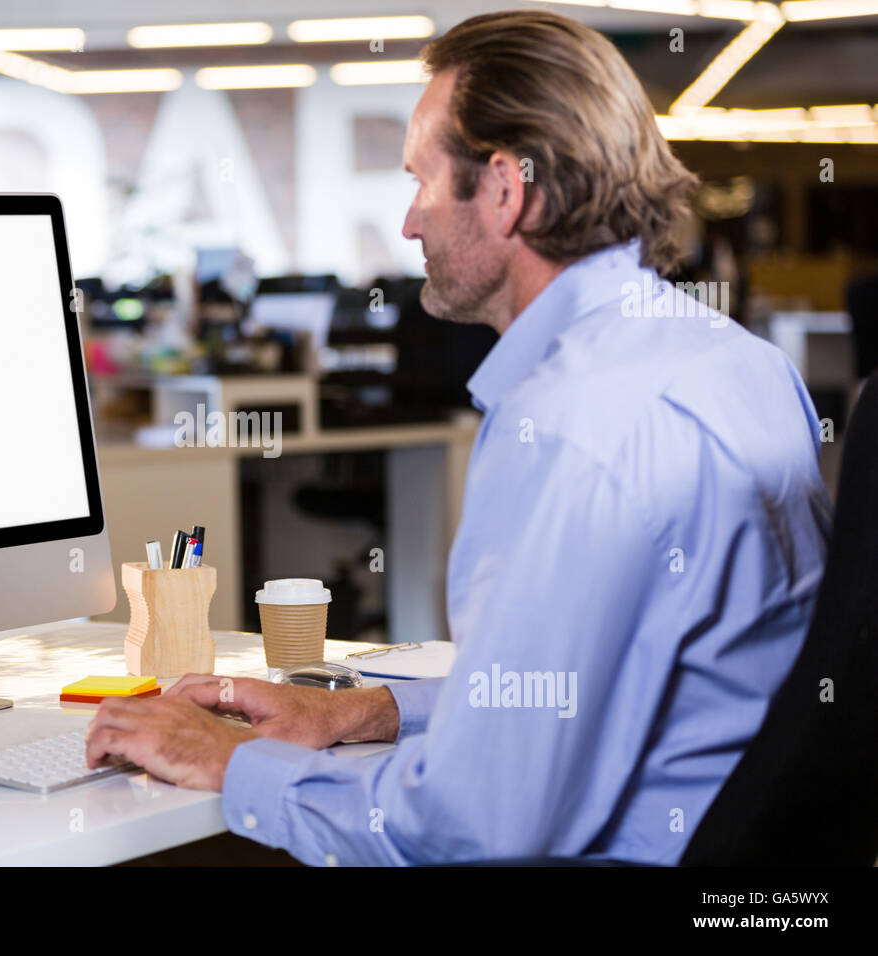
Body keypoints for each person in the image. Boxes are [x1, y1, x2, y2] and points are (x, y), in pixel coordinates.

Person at [85, 9, 831, 865]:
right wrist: (362, 710)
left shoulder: (572, 429)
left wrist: (230, 763)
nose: (410, 223)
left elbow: (475, 824)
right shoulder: (737, 361)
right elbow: (585, 689)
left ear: (506, 190)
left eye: (422, 182)